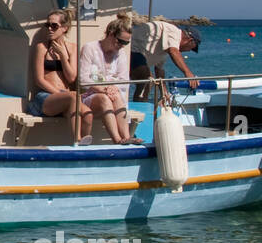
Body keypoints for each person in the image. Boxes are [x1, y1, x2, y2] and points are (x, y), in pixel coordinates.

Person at [26, 8, 92, 143]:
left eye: (54, 26)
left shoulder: (72, 48)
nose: (49, 28)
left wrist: (62, 55)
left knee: (88, 114)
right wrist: (59, 94)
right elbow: (38, 79)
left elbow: (71, 78)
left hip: (67, 97)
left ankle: (85, 147)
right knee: (72, 96)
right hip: (45, 96)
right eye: (47, 25)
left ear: (64, 28)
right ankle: (77, 141)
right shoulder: (41, 47)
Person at [79, 13, 142, 144]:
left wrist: (113, 88)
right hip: (89, 96)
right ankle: (117, 139)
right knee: (104, 98)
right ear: (111, 34)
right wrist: (104, 89)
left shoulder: (121, 54)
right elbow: (83, 80)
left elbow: (124, 81)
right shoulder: (90, 48)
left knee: (116, 96)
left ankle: (126, 137)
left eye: (126, 42)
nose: (122, 45)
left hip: (112, 95)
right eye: (120, 41)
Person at [130, 18, 201, 104]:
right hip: (131, 50)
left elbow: (159, 70)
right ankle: (139, 108)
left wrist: (164, 92)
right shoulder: (174, 32)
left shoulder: (165, 47)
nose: (189, 51)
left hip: (138, 56)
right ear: (190, 41)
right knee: (147, 79)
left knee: (148, 80)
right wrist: (188, 73)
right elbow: (173, 52)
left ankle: (140, 106)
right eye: (191, 48)